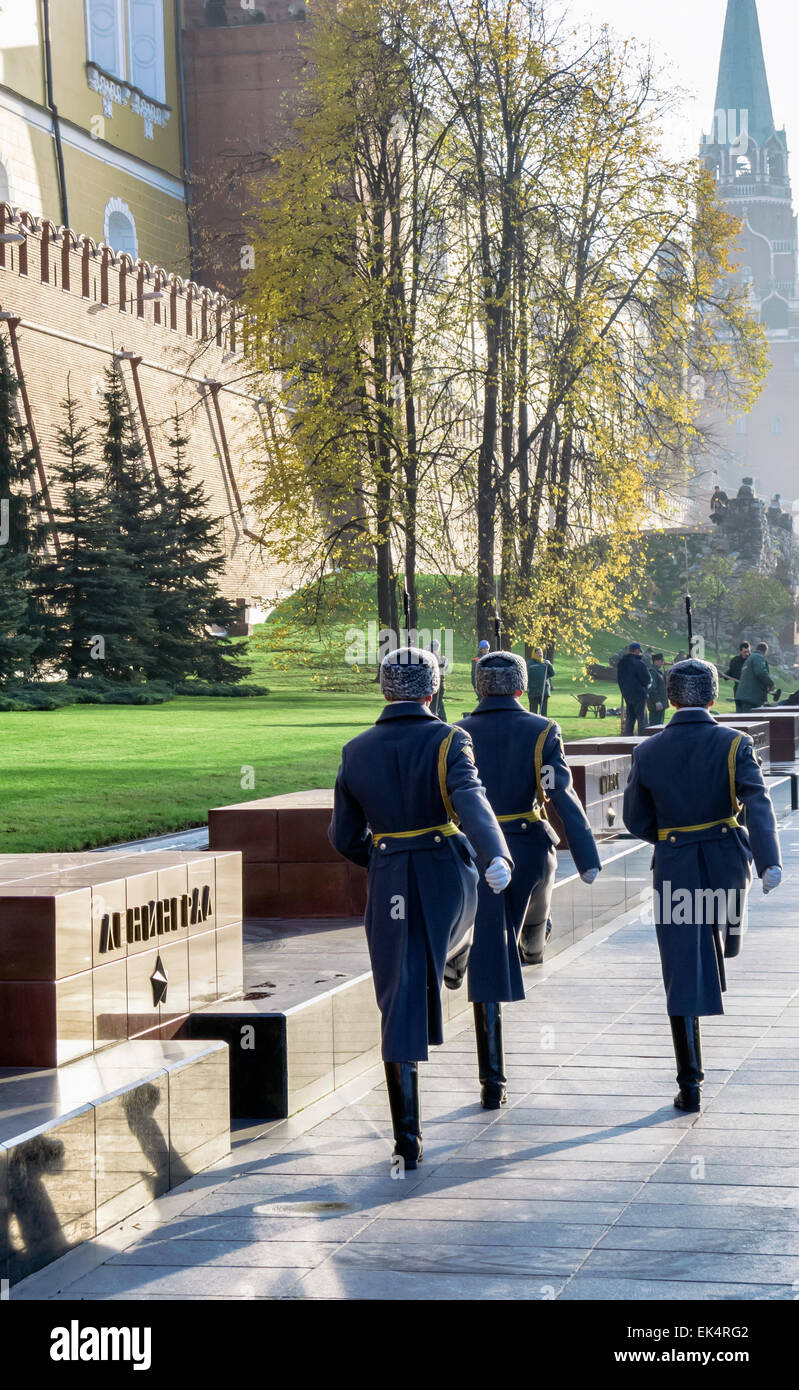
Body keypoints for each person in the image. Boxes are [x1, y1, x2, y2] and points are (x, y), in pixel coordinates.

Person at [329, 646, 512, 1169]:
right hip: (444, 870)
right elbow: (470, 798)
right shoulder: (449, 738)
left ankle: (406, 1137)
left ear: (384, 690)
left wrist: (385, 855)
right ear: (432, 690)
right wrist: (494, 852)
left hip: (390, 875)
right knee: (456, 922)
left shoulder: (355, 748)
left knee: (398, 996)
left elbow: (344, 836)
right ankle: (457, 949)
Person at [622, 658, 781, 1112]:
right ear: (714, 697)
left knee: (681, 970)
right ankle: (722, 947)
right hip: (726, 861)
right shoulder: (735, 744)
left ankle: (689, 1082)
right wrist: (768, 861)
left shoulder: (647, 751)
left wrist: (672, 836)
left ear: (671, 698)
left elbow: (635, 819)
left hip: (675, 866)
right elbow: (758, 802)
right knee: (718, 941)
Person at [456, 652, 601, 1107]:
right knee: (529, 911)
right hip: (523, 841)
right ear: (521, 687)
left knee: (486, 948)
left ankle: (491, 1075)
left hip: (471, 849)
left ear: (479, 687)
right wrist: (586, 853)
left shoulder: (454, 733)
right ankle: (533, 942)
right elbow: (561, 791)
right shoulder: (542, 730)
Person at [616, 642, 652, 735]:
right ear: (636, 651)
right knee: (642, 720)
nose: (640, 653)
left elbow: (619, 680)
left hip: (627, 694)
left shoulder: (621, 664)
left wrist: (624, 692)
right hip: (639, 694)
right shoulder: (639, 664)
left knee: (630, 719)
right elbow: (647, 679)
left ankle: (628, 741)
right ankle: (642, 741)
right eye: (639, 651)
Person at [735, 642, 775, 711]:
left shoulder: (749, 659)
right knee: (751, 721)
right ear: (765, 651)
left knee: (741, 721)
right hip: (751, 700)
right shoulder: (758, 657)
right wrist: (771, 684)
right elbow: (760, 672)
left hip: (741, 697)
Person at [722, 641, 751, 712]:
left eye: (748, 651)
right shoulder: (735, 660)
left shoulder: (752, 660)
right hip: (738, 690)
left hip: (750, 690)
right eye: (745, 652)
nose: (747, 654)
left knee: (749, 712)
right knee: (739, 710)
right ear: (740, 651)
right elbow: (731, 672)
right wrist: (723, 675)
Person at [526, 647, 555, 715]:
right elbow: (526, 676)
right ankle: (533, 725)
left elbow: (552, 673)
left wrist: (550, 665)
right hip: (533, 691)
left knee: (544, 713)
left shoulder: (545, 663)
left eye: (541, 653)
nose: (540, 654)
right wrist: (526, 687)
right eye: (538, 653)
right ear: (534, 654)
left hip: (544, 691)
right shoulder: (530, 663)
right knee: (533, 712)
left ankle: (544, 725)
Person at [428, 638, 448, 721]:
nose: (435, 650)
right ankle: (437, 718)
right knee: (432, 704)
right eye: (433, 647)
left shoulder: (442, 658)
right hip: (430, 684)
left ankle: (441, 719)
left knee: (438, 703)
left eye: (436, 648)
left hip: (440, 683)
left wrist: (441, 666)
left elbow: (445, 668)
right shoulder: (428, 657)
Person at [647, 653, 668, 724]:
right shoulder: (652, 672)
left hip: (660, 703)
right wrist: (657, 701)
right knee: (654, 725)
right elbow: (652, 687)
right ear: (655, 661)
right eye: (661, 661)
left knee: (659, 724)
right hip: (656, 704)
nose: (662, 662)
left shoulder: (658, 671)